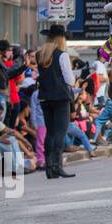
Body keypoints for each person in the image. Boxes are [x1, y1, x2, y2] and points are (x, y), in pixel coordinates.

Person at [36, 24, 77, 179]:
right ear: (61, 39)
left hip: (45, 97)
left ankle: (49, 167)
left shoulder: (40, 54)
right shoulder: (62, 55)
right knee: (60, 132)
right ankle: (57, 165)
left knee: (50, 132)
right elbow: (70, 80)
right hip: (60, 97)